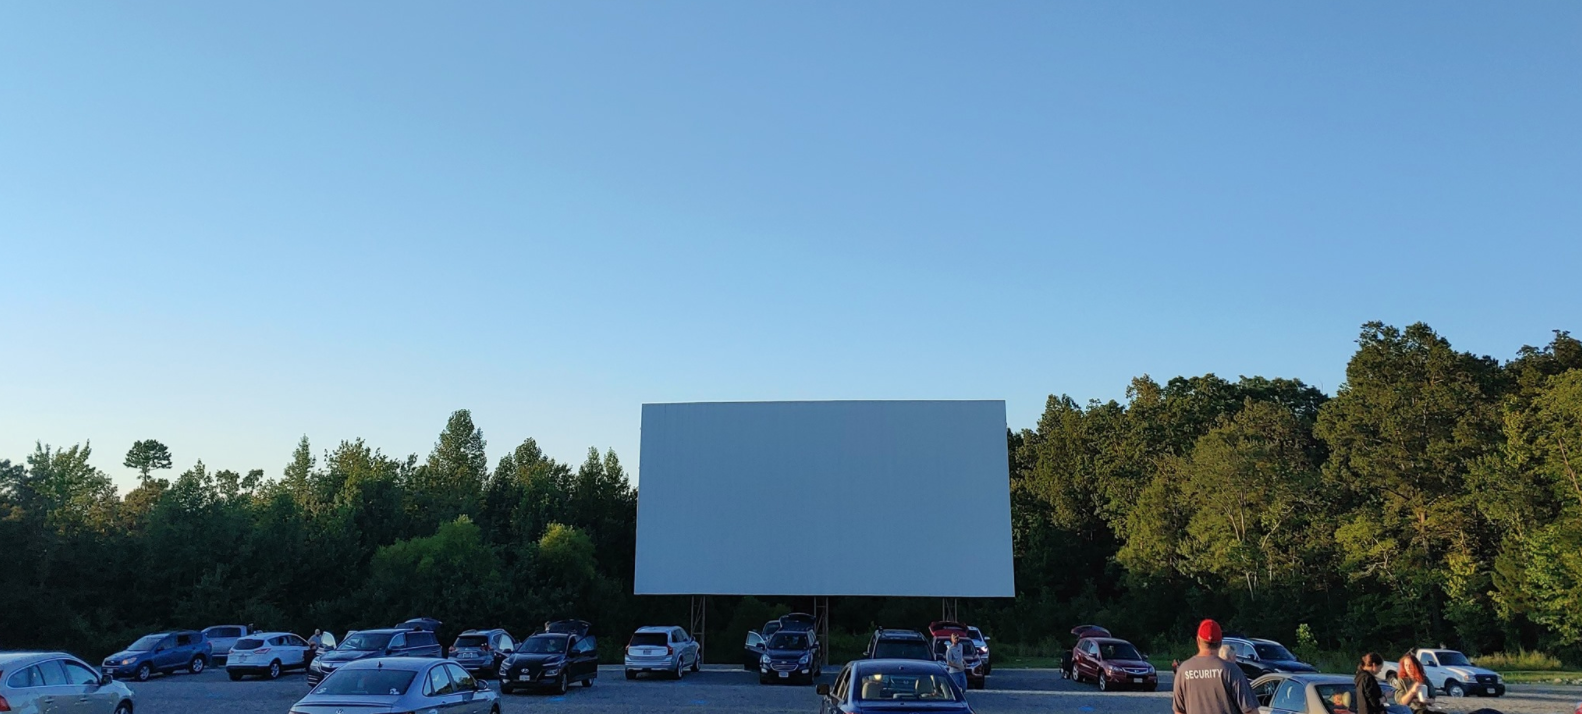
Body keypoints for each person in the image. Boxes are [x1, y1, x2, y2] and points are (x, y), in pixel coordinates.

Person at [1172, 619, 1258, 714]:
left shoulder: (1183, 670)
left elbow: (1179, 711)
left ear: (1198, 640)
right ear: (1220, 643)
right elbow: (1250, 711)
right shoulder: (1231, 670)